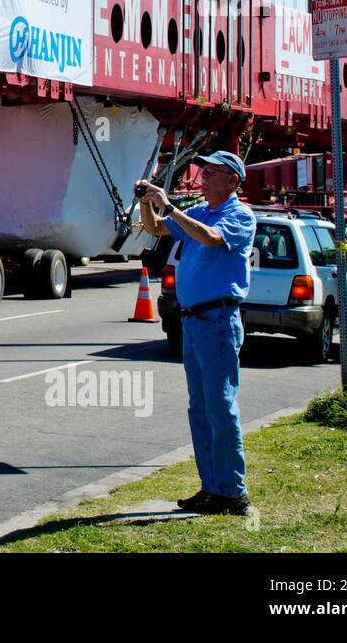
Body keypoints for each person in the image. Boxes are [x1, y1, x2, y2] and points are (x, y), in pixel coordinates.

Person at [137, 151, 257, 516]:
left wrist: (169, 206)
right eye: (202, 171)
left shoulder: (239, 215)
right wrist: (146, 203)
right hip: (193, 321)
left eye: (211, 173)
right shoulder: (201, 211)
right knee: (201, 408)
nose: (202, 177)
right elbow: (156, 229)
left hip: (216, 320)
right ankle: (212, 487)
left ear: (232, 181)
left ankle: (233, 492)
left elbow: (209, 239)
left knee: (220, 407)